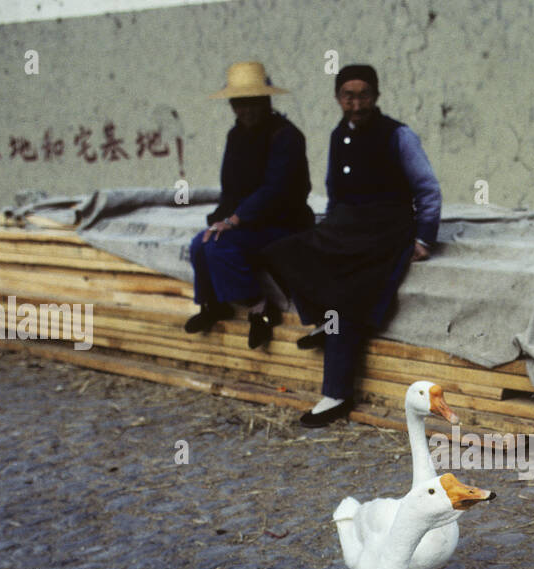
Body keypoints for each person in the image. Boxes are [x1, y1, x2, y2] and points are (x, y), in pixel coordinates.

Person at [262, 64, 442, 427]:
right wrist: (327, 232)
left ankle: (336, 395)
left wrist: (423, 238)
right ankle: (318, 321)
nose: (356, 104)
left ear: (375, 96)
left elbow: (428, 189)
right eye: (348, 95)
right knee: (280, 251)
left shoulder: (398, 135)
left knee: (346, 301)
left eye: (363, 95)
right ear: (338, 98)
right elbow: (333, 189)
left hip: (385, 230)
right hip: (346, 227)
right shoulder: (337, 134)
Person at [185, 61, 314, 349]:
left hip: (282, 222)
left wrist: (235, 221)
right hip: (246, 222)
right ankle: (213, 305)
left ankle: (260, 308)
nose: (246, 111)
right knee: (201, 243)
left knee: (221, 247)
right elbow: (230, 189)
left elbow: (276, 189)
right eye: (239, 104)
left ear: (266, 101)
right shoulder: (236, 136)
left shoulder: (286, 137)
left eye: (252, 103)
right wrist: (219, 220)